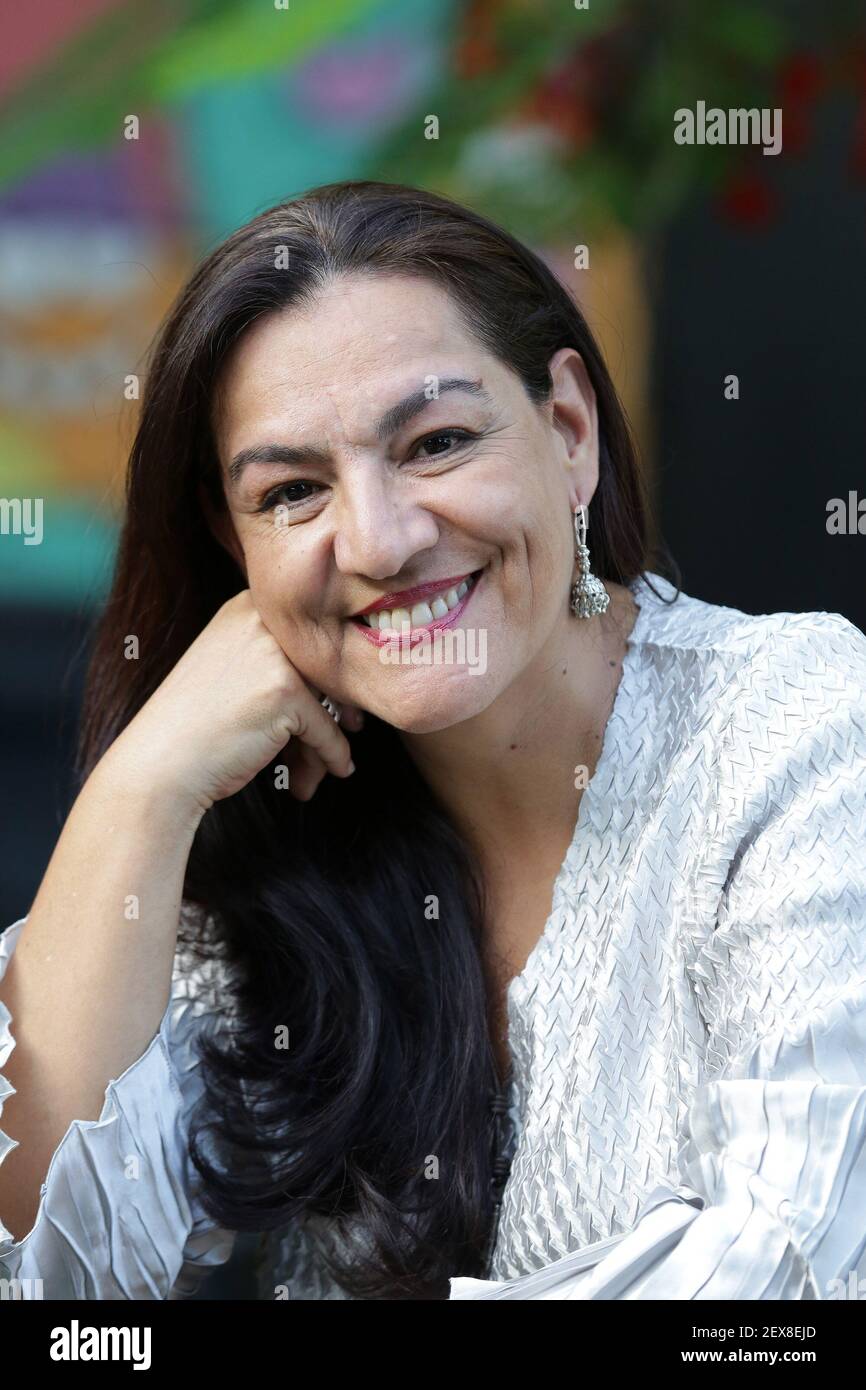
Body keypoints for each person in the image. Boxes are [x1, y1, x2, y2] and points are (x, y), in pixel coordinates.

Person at [1, 181, 865, 1302]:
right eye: (293, 491)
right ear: (234, 543)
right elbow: (58, 1285)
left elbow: (784, 1276)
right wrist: (143, 782)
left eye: (437, 441)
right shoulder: (276, 838)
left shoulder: (801, 722)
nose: (379, 538)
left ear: (566, 432)